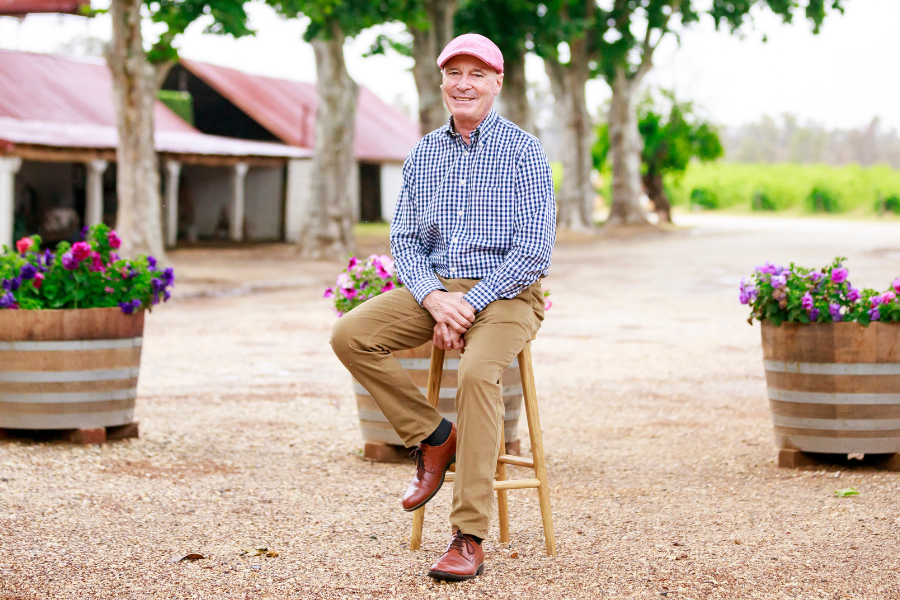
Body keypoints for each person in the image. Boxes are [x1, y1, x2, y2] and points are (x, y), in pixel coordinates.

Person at [330, 33, 556, 581]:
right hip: (436, 290)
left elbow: (533, 249)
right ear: (441, 83)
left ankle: (467, 535)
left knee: (478, 373)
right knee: (350, 335)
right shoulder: (423, 153)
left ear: (496, 84)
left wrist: (466, 306)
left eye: (477, 74)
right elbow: (404, 241)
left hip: (508, 292)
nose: (464, 84)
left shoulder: (523, 151)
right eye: (454, 73)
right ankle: (434, 436)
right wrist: (434, 299)